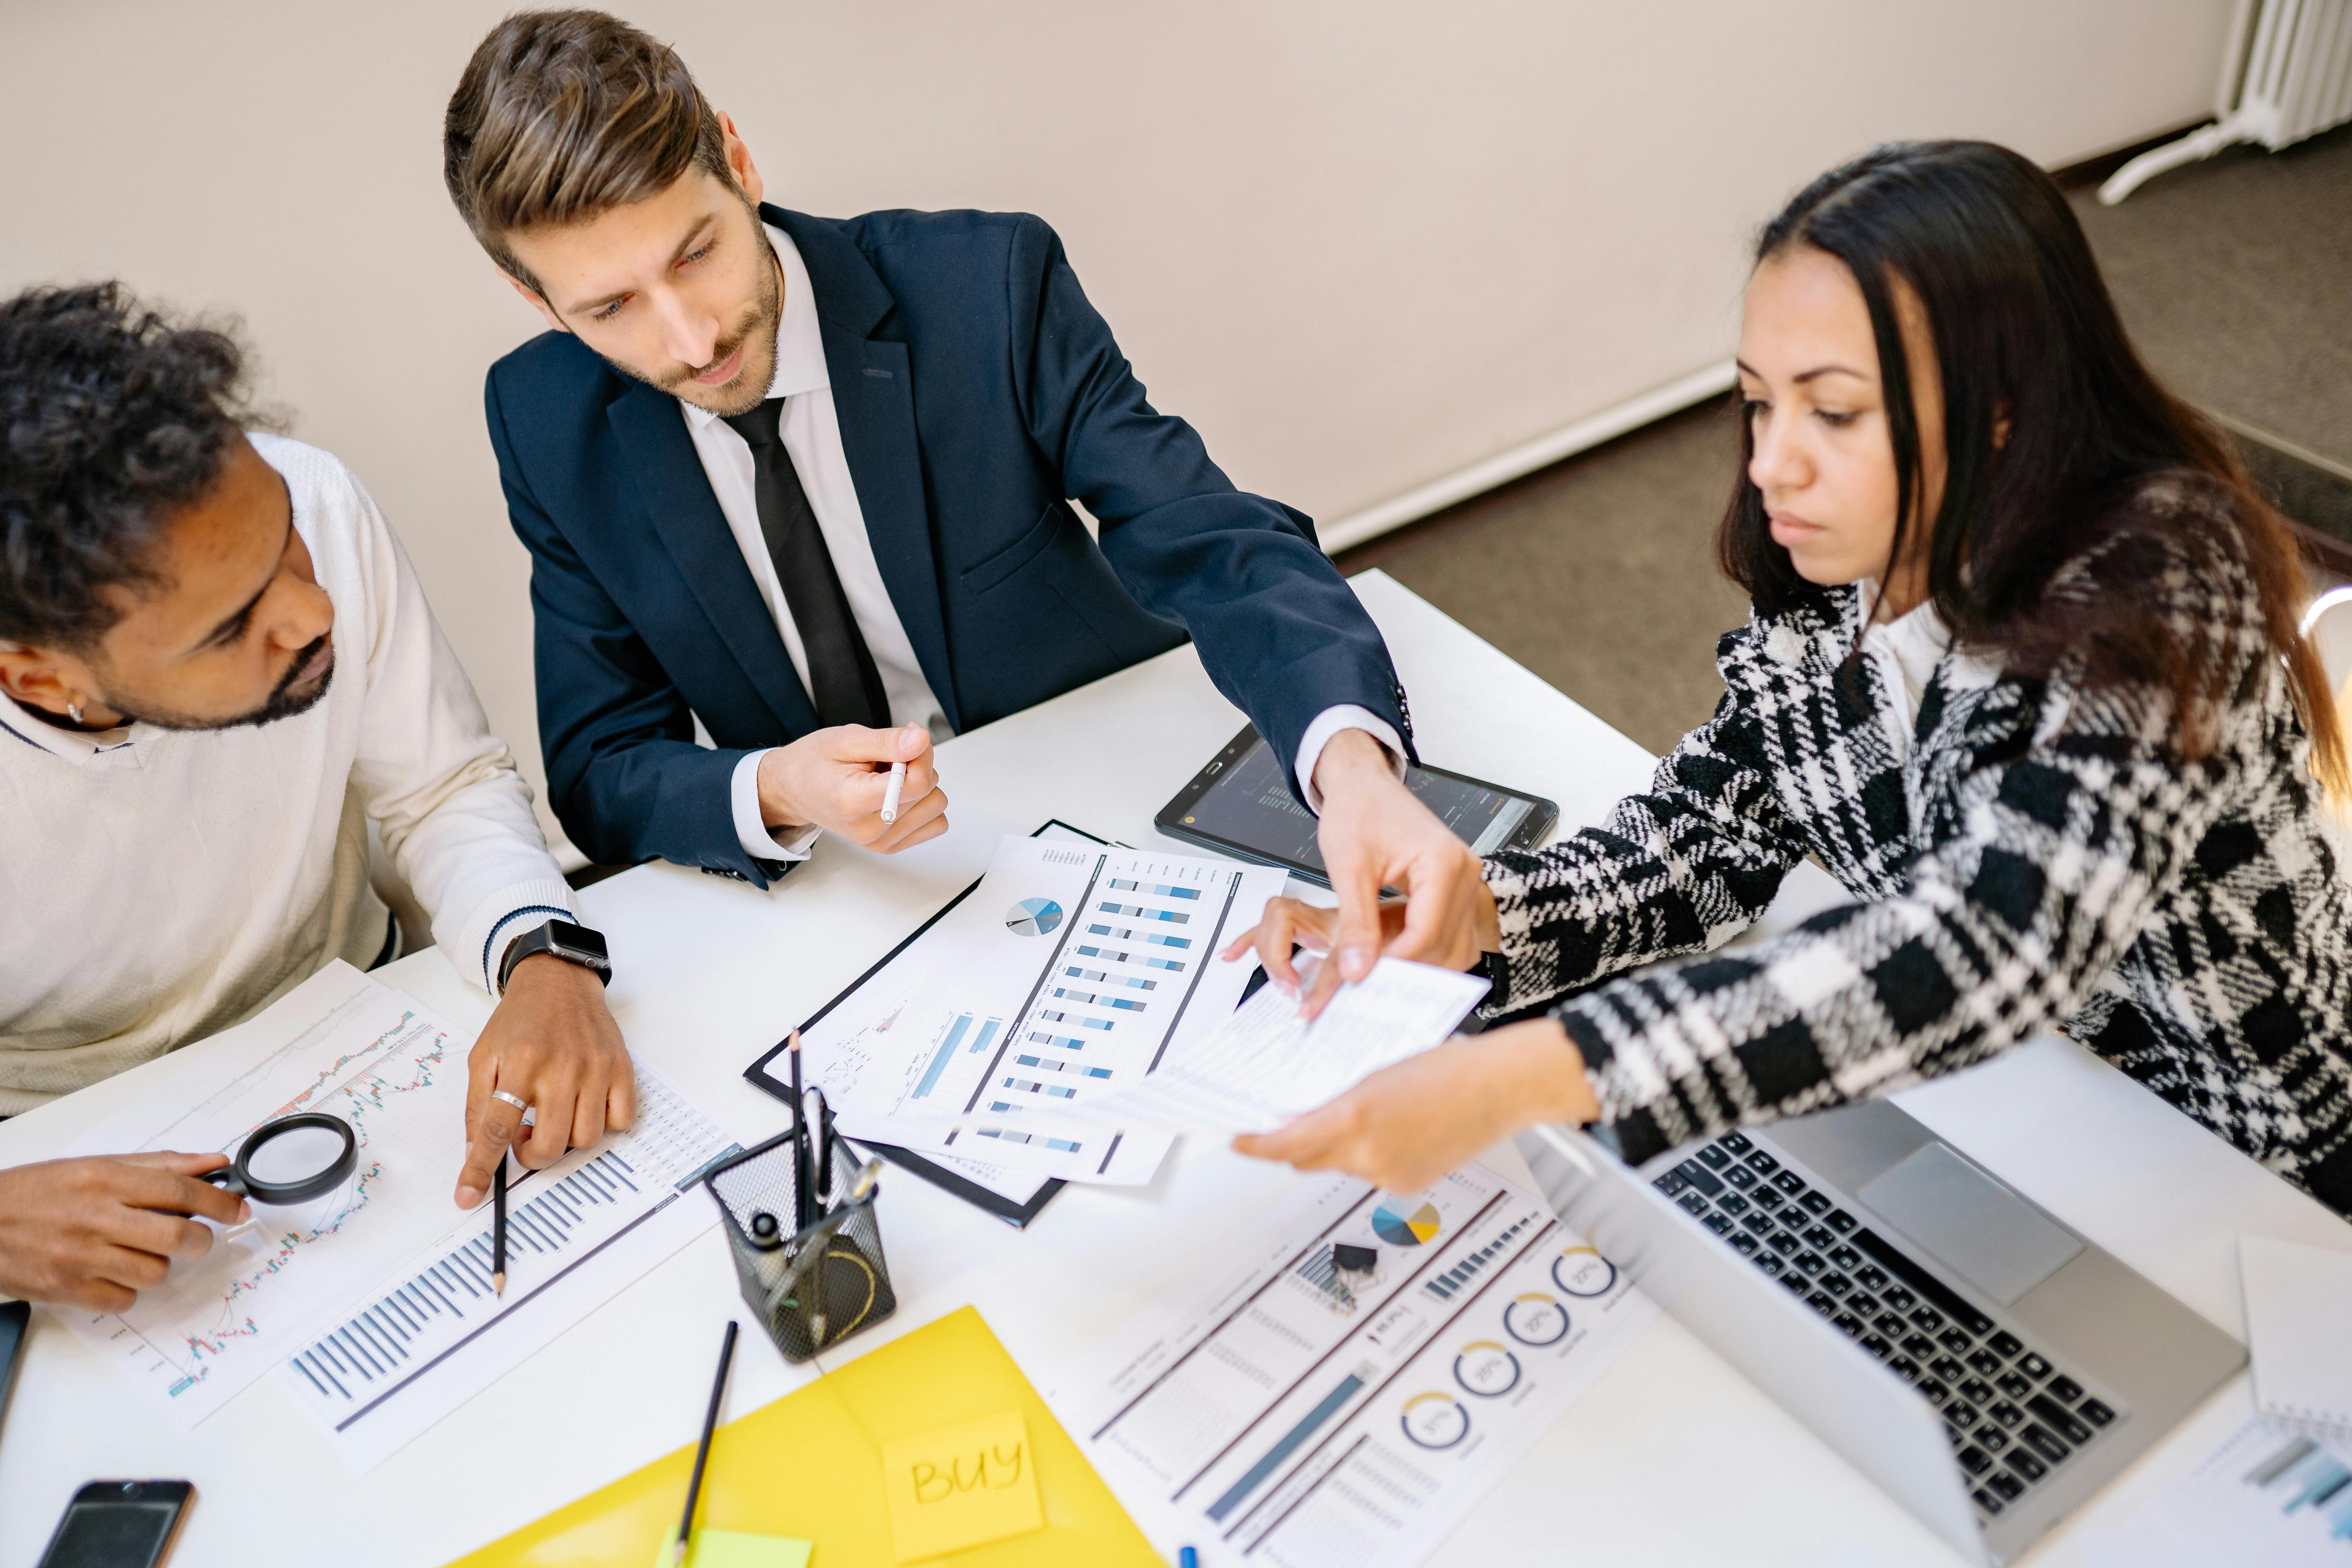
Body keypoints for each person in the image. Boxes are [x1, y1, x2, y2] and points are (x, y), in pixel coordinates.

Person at [1230, 141, 2352, 1218]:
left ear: (2005, 410)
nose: (1770, 463)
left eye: (1836, 412)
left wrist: (1527, 1074)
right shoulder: (1842, 580)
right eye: (1760, 401)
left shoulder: (2162, 582)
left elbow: (1986, 945)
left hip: (2247, 1161)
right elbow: (1706, 839)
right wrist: (1477, 920)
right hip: (2004, 1115)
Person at [439, 9, 1485, 967]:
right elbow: (601, 764)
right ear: (534, 299)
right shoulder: (542, 422)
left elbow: (1209, 538)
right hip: (854, 895)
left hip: (1117, 810)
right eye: (612, 308)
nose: (692, 339)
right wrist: (774, 786)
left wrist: (1352, 768)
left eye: (698, 252)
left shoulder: (986, 286)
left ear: (740, 161)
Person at [0, 285, 634, 1312]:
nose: (312, 611)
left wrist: (544, 957)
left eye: (283, 538)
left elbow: (443, 787)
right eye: (228, 627)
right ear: (38, 675)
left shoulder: (318, 497)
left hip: (359, 1024)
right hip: (56, 1146)